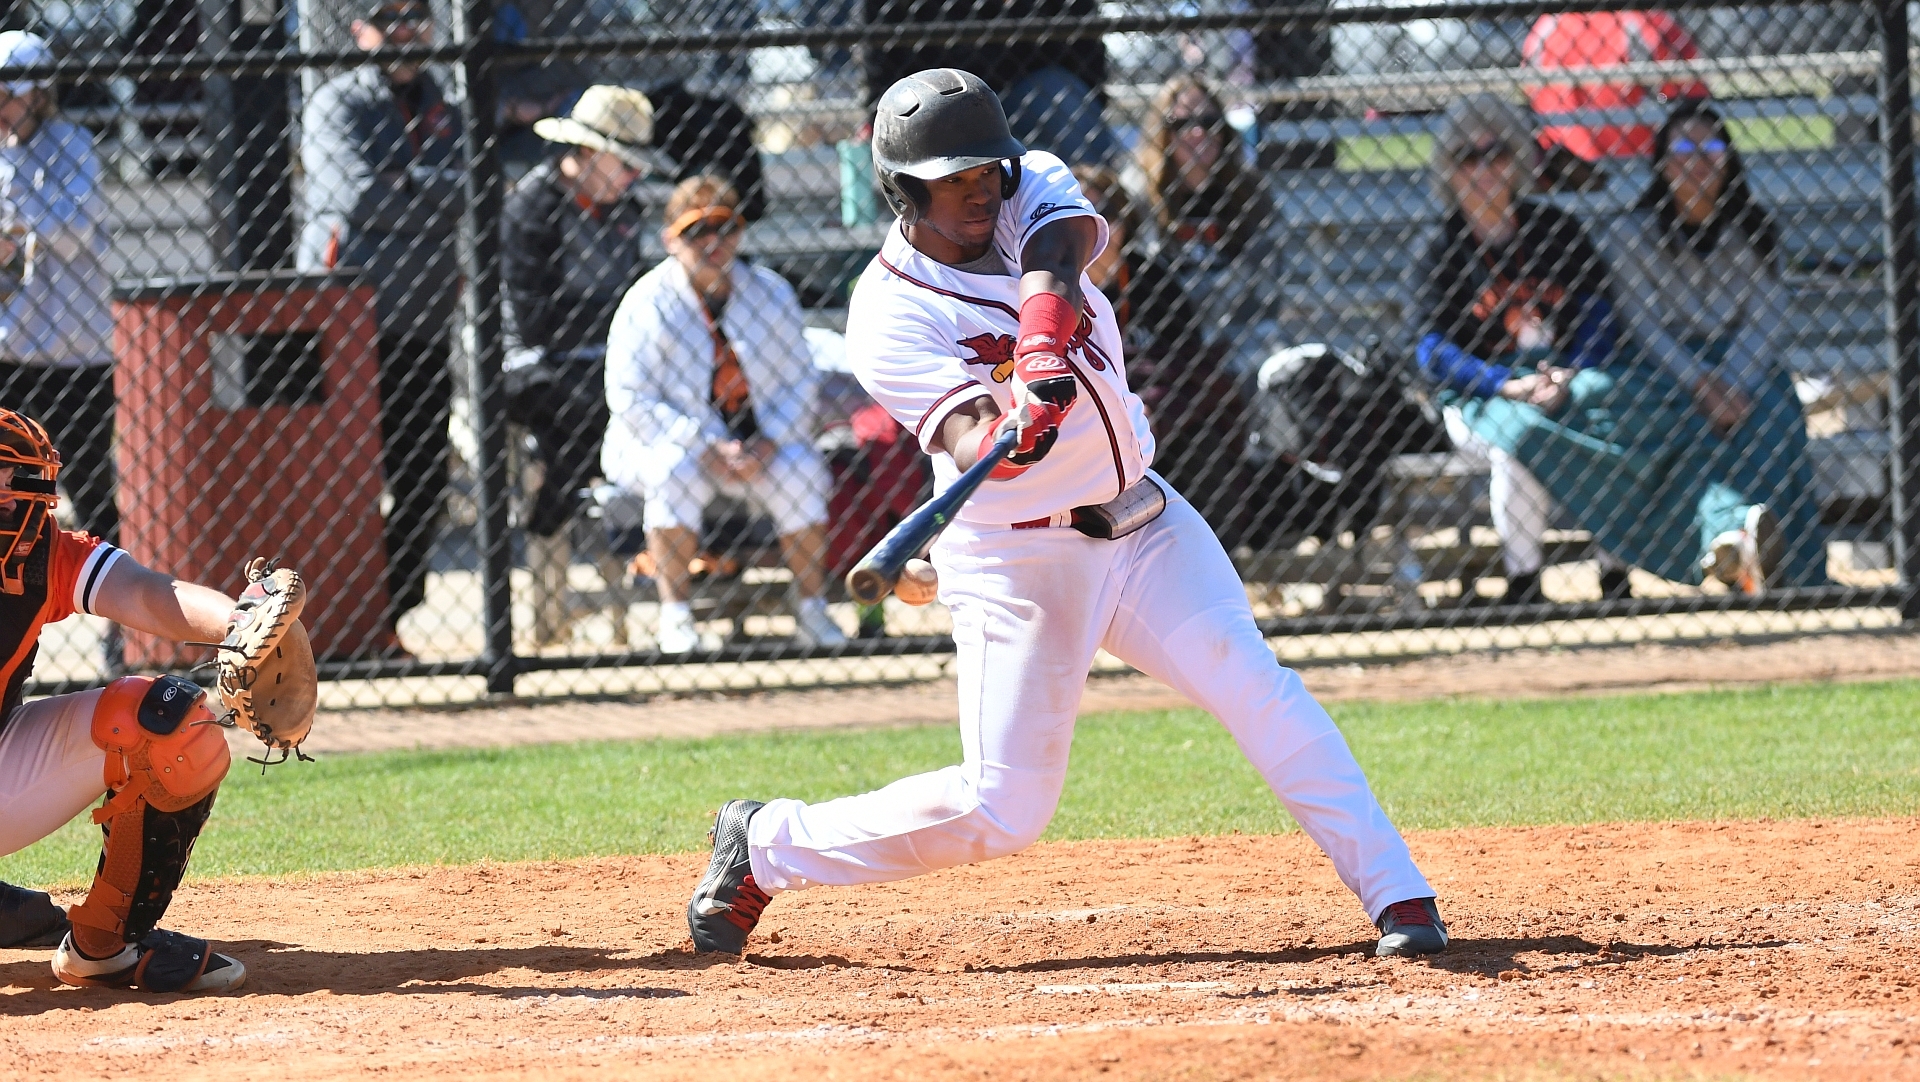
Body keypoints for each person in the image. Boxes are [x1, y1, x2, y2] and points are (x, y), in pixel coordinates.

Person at [684, 68, 1448, 961]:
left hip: (1146, 525)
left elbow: (1063, 244)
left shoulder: (1028, 186)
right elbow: (968, 436)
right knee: (1000, 810)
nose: (978, 190)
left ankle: (1398, 893)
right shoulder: (887, 311)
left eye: (985, 171)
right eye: (951, 177)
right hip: (1020, 560)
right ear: (902, 189)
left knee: (1255, 684)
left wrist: (1039, 341)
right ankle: (766, 843)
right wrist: (1012, 426)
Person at [0, 408, 252, 990]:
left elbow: (148, 594)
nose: (12, 503)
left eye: (19, 485)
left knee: (171, 722)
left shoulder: (44, 556)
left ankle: (105, 944)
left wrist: (242, 624)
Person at [602, 177, 847, 653]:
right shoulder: (646, 301)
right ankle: (675, 617)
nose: (713, 243)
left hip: (760, 443)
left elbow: (801, 379)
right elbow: (629, 397)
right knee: (672, 470)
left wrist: (771, 438)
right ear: (670, 239)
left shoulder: (769, 292)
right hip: (667, 443)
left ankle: (812, 610)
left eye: (725, 227)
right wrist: (703, 445)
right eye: (697, 231)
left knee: (802, 470)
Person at [1601, 100, 1827, 590]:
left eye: (1712, 147)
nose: (1699, 159)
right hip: (1666, 368)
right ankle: (1741, 540)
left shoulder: (1755, 231)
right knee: (1686, 422)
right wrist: (1702, 384)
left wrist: (1733, 384)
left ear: (1730, 160)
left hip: (1740, 368)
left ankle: (1757, 552)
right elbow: (1642, 327)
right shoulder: (1630, 234)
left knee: (1778, 409)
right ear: (1661, 162)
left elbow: (1766, 320)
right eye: (1683, 147)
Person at [1408, 95, 1624, 604]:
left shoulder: (1556, 231)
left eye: (1496, 153)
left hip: (1559, 377)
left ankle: (1616, 575)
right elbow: (1431, 350)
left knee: (1606, 413)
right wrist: (1501, 384)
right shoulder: (1441, 250)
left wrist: (1572, 371)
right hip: (1479, 395)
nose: (1483, 169)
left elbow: (1599, 313)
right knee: (1519, 441)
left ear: (1519, 162)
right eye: (1467, 157)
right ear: (1449, 170)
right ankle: (1524, 583)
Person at [297, 0, 464, 646]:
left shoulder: (446, 104)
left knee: (424, 480)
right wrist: (430, 192)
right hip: (344, 325)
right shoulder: (338, 102)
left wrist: (404, 188)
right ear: (360, 30)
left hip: (421, 320)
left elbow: (468, 187)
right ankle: (322, 624)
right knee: (340, 483)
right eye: (386, 17)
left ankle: (383, 620)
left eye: (416, 15)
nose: (404, 29)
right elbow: (354, 193)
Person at [0, 32, 117, 544]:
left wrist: (17, 224)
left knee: (87, 478)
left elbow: (74, 230)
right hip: (10, 341)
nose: (1, 107)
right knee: (11, 481)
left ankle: (118, 606)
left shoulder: (72, 145)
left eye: (10, 95)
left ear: (40, 95)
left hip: (75, 345)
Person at [863, 0, 1121, 167]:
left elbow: (1085, 45)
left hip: (1030, 88)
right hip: (938, 97)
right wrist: (876, 114)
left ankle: (1090, 224)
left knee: (1065, 102)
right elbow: (878, 50)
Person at [1134, 76, 1269, 263]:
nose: (1198, 131)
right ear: (1163, 134)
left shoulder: (1249, 190)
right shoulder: (1139, 193)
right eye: (1182, 123)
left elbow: (1270, 258)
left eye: (1209, 121)